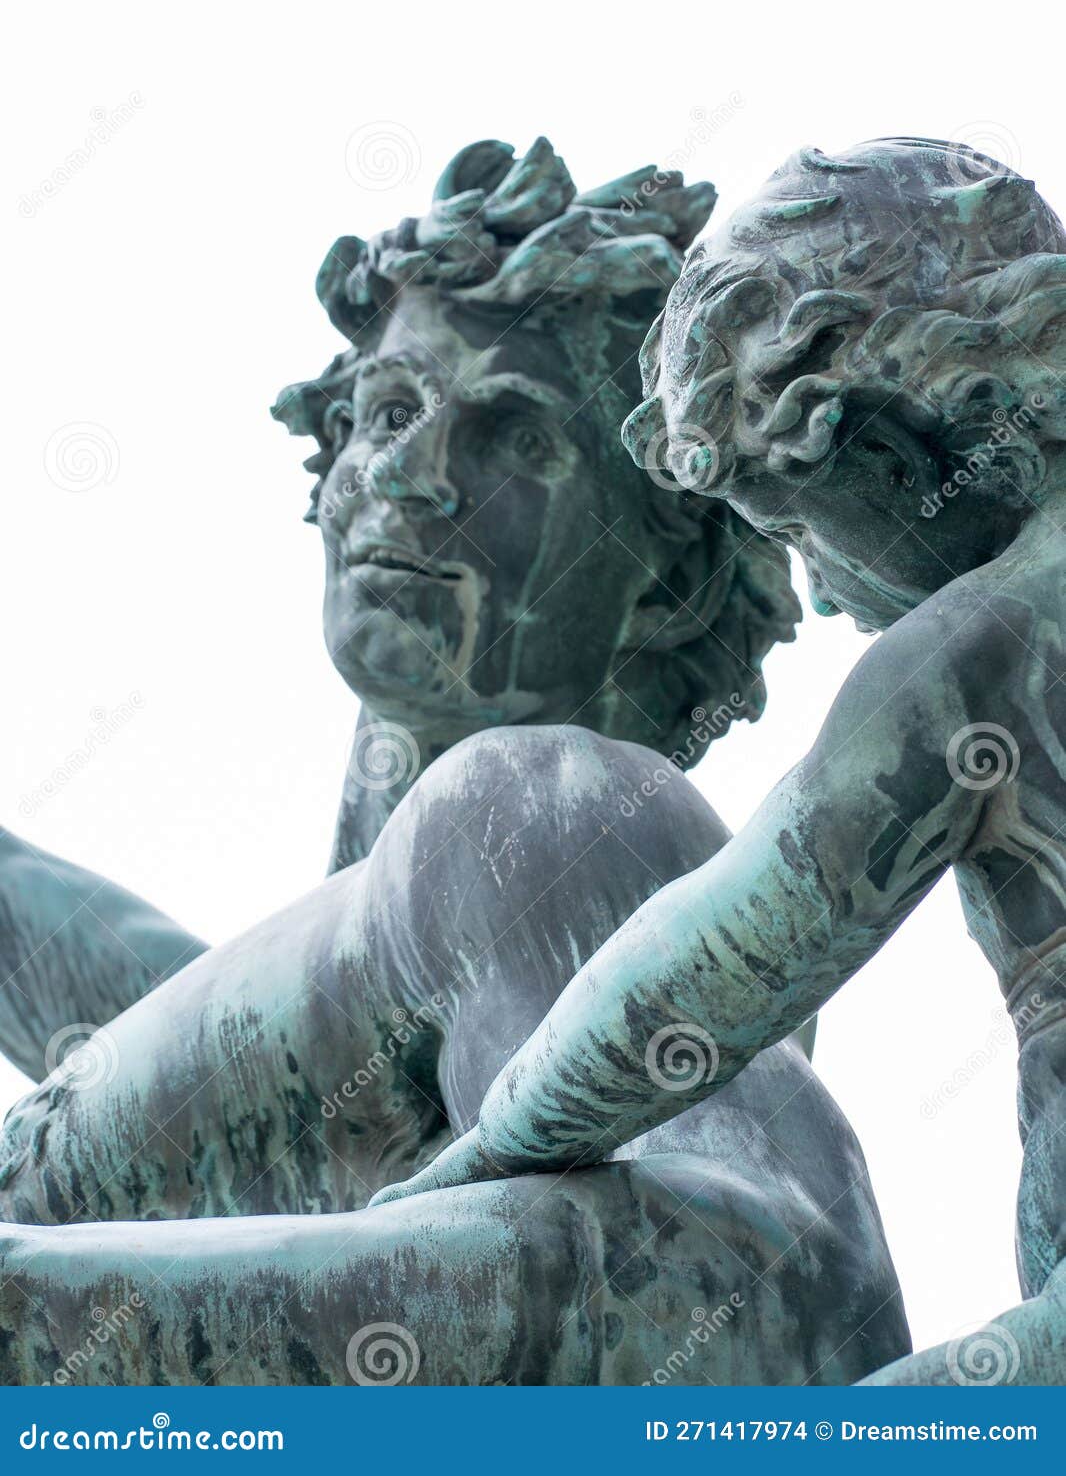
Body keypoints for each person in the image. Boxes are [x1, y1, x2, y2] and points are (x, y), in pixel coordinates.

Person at [0, 141, 906, 1386]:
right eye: (384, 412)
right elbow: (161, 1049)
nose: (413, 477)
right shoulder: (330, 984)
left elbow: (769, 1303)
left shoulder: (551, 816)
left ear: (678, 580)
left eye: (514, 439)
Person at [373, 138, 1066, 1385]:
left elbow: (708, 967)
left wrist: (470, 1163)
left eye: (794, 522)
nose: (823, 589)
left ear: (884, 445)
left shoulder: (976, 652)